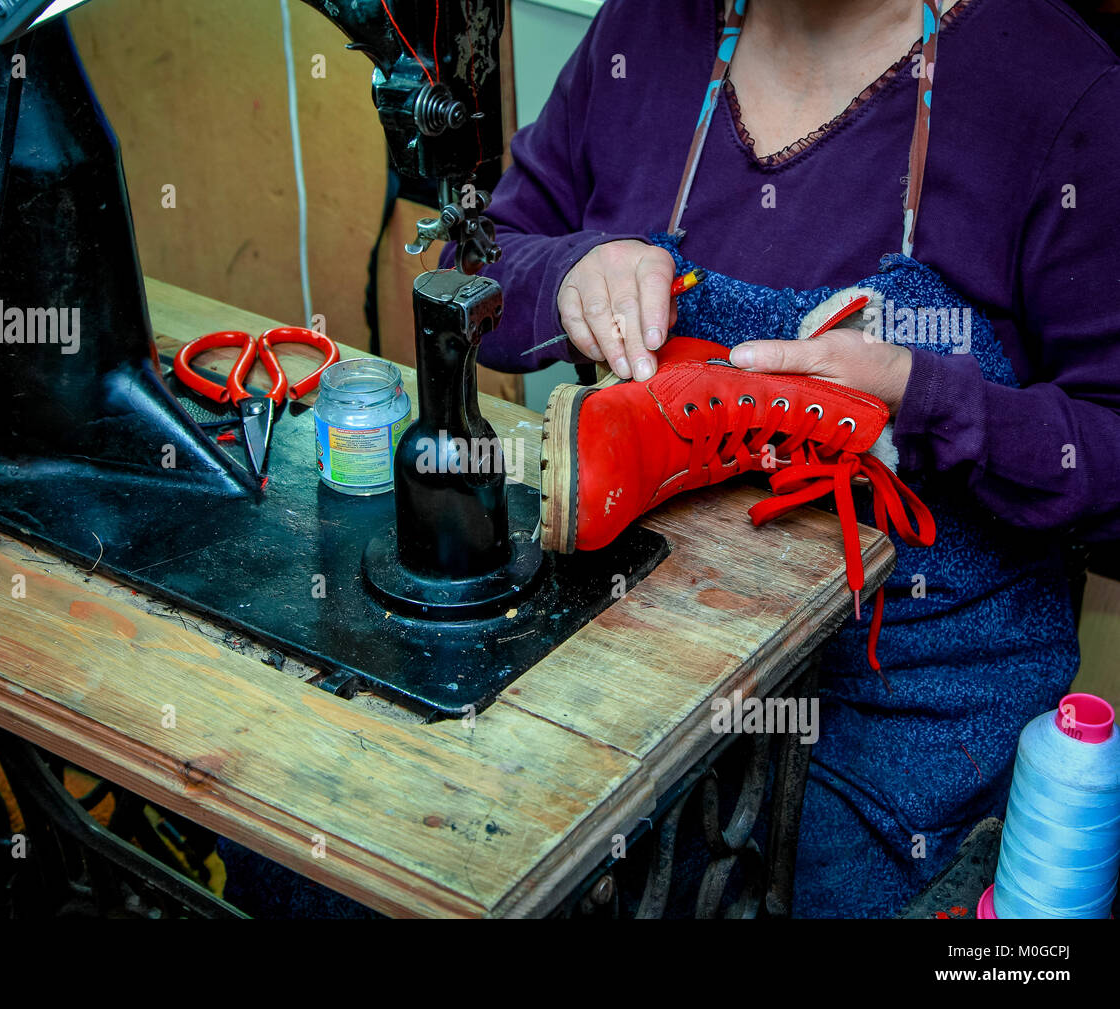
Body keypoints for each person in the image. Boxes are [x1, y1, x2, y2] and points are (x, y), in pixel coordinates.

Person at [461, 0, 1120, 916]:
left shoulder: (1062, 92)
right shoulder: (644, 29)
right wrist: (570, 270)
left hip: (901, 727)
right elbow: (477, 260)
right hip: (643, 660)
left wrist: (929, 401)